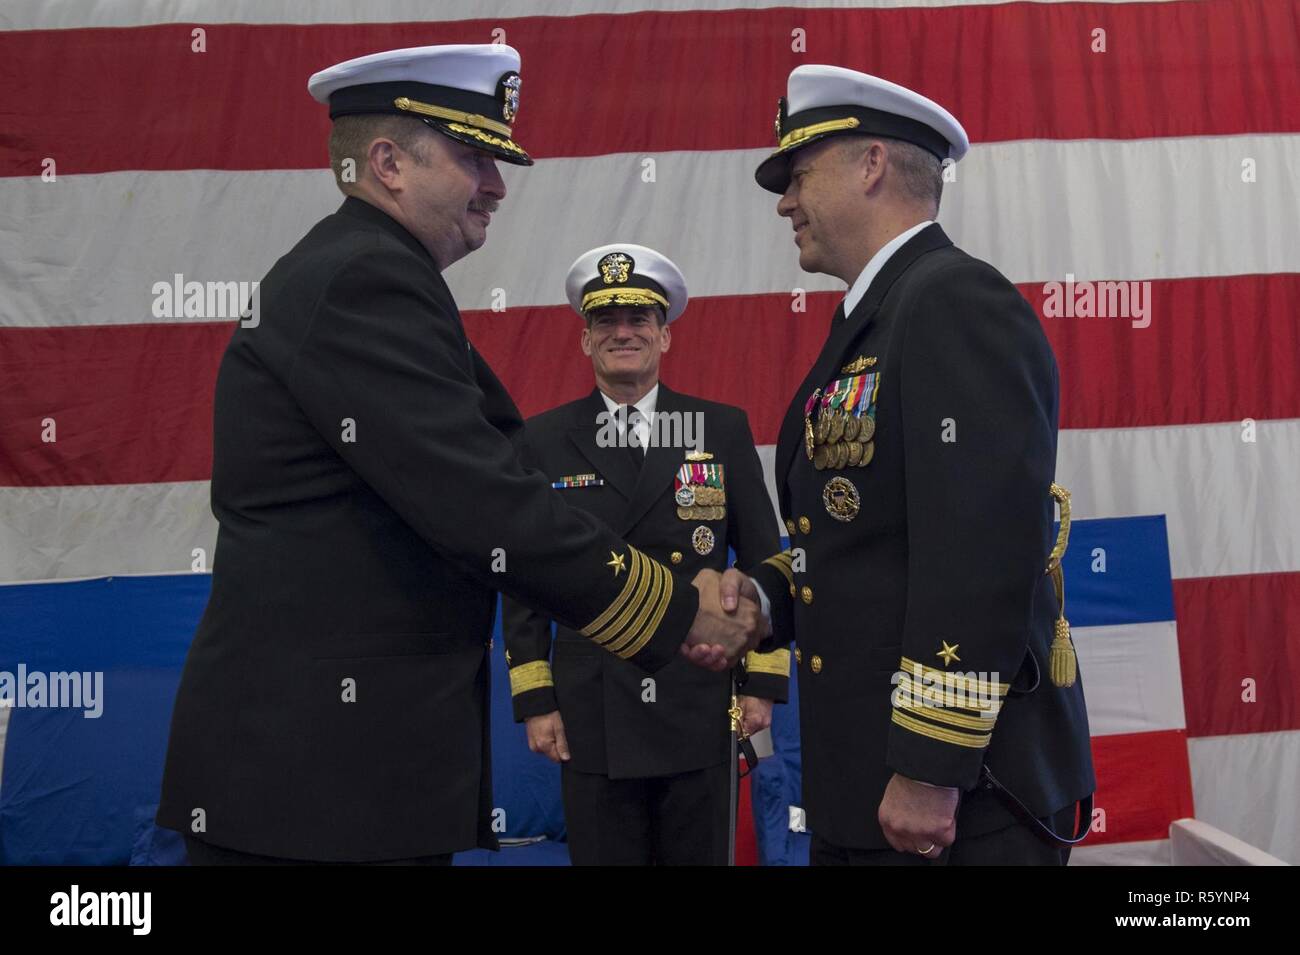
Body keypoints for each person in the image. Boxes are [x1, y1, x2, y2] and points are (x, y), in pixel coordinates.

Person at [156, 44, 761, 866]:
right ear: (387, 163)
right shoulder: (363, 280)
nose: (499, 185)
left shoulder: (370, 272)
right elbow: (486, 502)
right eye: (476, 157)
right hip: (313, 782)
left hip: (340, 772)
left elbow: (499, 484)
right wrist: (679, 609)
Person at [727, 65, 1095, 865]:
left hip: (957, 796)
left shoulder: (952, 302)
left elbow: (980, 555)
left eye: (799, 175)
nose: (784, 201)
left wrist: (931, 765)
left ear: (871, 165)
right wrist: (761, 596)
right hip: (869, 782)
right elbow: (860, 538)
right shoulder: (882, 314)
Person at [501, 244, 789, 865]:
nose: (622, 333)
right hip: (591, 703)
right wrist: (536, 699)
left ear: (665, 338)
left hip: (699, 690)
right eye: (606, 321)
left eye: (639, 321)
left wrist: (762, 681)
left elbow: (768, 560)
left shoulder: (720, 429)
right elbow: (525, 579)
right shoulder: (542, 439)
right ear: (585, 341)